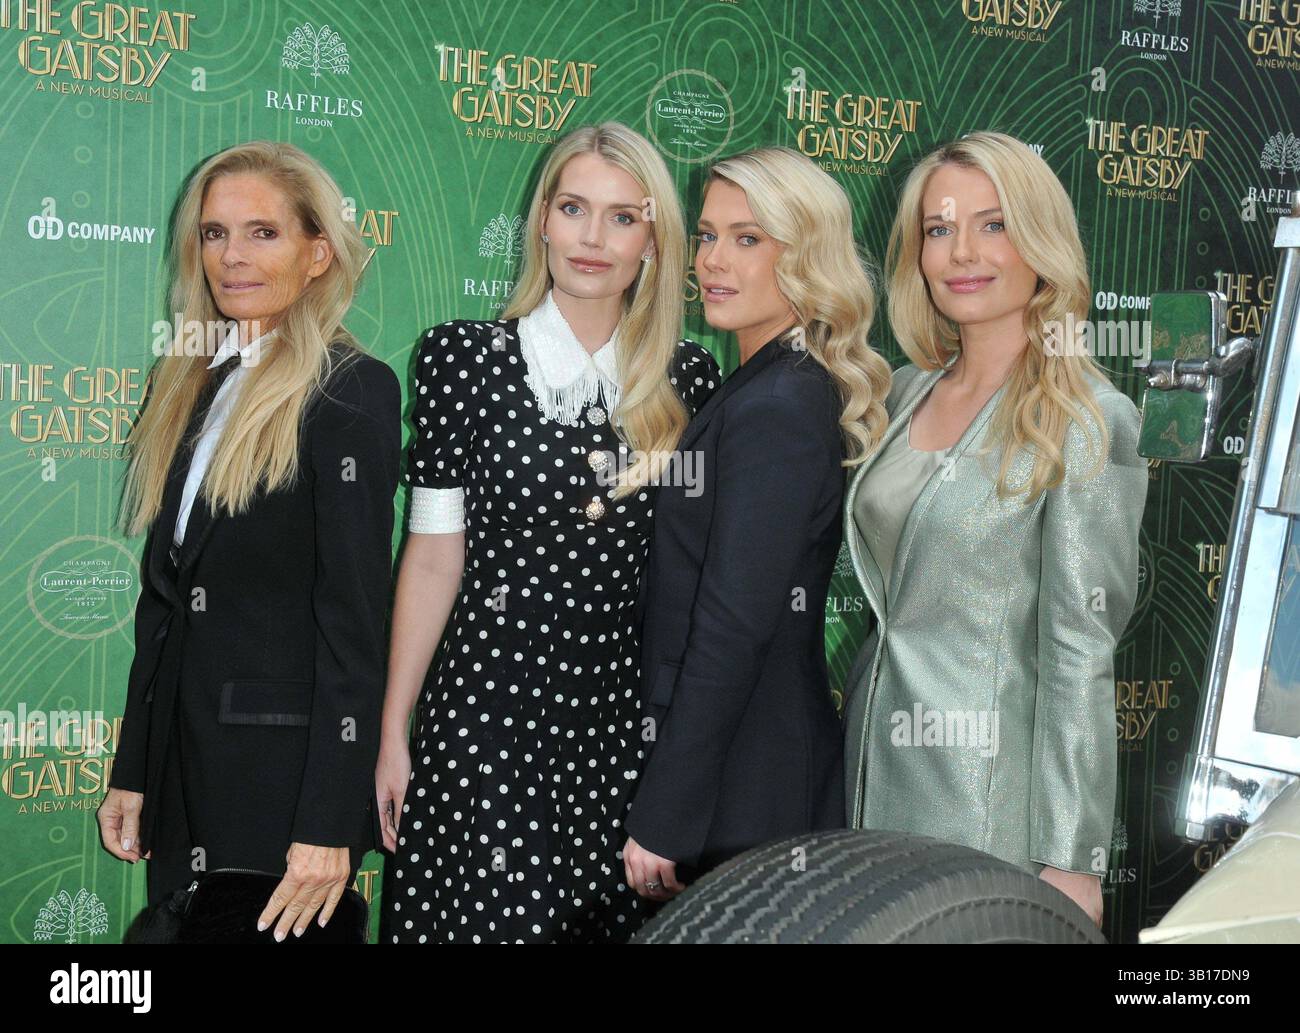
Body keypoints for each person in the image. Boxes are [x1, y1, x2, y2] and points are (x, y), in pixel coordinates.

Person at [376, 122, 721, 943]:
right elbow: (432, 555)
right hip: (482, 718)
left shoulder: (690, 379)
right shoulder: (465, 359)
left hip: (617, 737)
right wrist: (394, 727)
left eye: (621, 217)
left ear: (654, 239)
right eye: (573, 208)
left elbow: (691, 583)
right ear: (542, 221)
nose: (592, 238)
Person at [841, 131, 1148, 927]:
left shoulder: (1086, 418)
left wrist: (1073, 858)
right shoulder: (905, 391)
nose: (962, 253)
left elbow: (1082, 647)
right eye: (939, 229)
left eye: (994, 224)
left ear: (1041, 241)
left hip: (986, 809)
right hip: (871, 783)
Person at [97, 141, 401, 942]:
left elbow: (356, 622)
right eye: (214, 233)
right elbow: (162, 604)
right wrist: (136, 769)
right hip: (185, 779)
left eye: (262, 232)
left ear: (317, 253)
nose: (231, 256)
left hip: (284, 792)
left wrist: (333, 821)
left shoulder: (350, 392)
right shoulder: (190, 386)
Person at [622, 147, 892, 902]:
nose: (713, 260)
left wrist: (668, 809)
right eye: (707, 236)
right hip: (743, 767)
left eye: (748, 239)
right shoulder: (766, 386)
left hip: (748, 783)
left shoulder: (778, 406)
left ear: (805, 253)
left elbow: (733, 624)